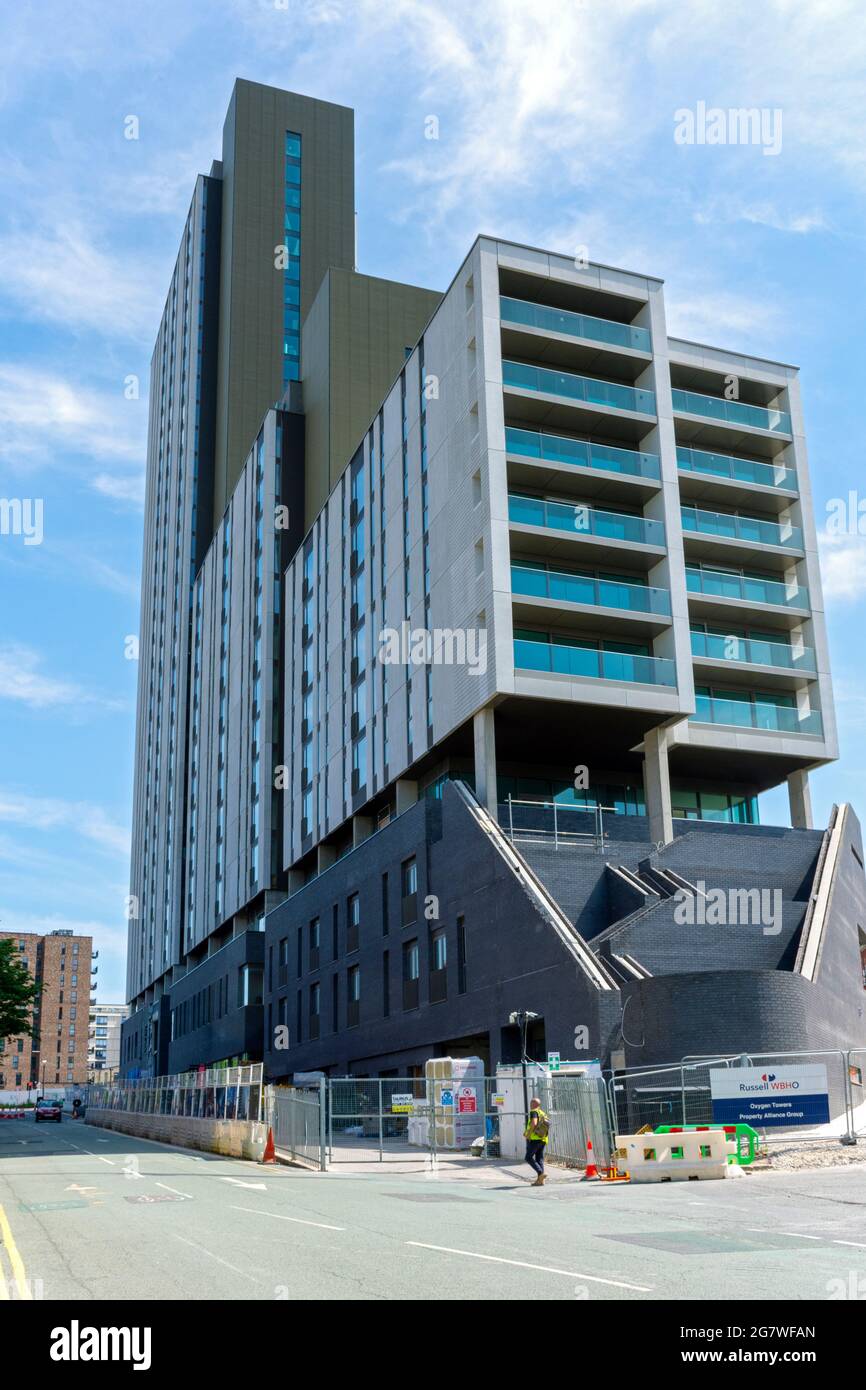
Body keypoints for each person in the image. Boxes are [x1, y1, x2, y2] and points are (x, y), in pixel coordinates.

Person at [523, 1095, 549, 1186]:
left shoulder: (534, 1112)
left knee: (528, 1157)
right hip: (543, 1139)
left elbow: (534, 1123)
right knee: (539, 1159)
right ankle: (540, 1181)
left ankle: (540, 1172)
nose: (530, 1104)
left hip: (535, 1139)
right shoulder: (542, 1113)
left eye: (531, 1103)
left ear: (534, 1104)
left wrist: (528, 1134)